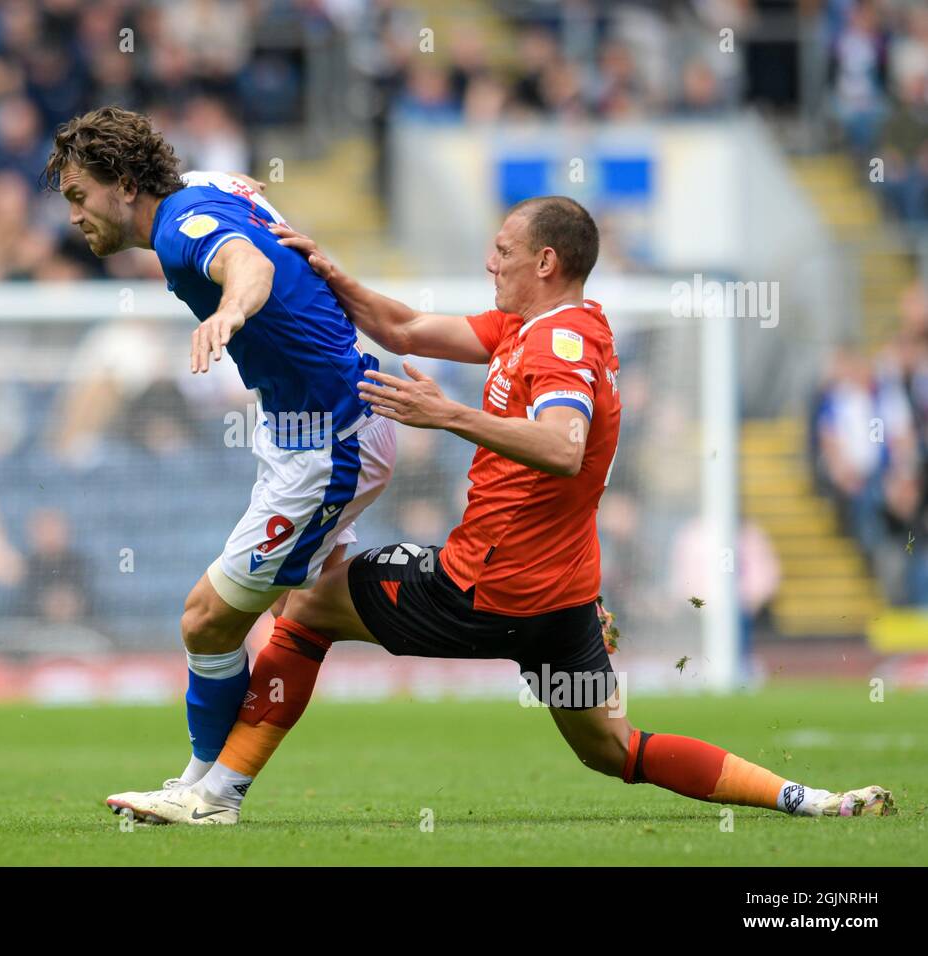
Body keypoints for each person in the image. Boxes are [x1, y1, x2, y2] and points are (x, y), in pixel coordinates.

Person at [107, 196, 895, 824]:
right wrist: (338, 278)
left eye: (503, 253)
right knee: (611, 748)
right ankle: (807, 800)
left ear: (545, 262)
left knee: (310, 603)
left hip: (482, 590)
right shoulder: (540, 327)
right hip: (561, 604)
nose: (490, 263)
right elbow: (406, 327)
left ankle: (215, 795)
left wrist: (443, 414)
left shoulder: (557, 349)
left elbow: (562, 446)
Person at [44, 106, 396, 795]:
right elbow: (248, 198)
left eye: (79, 197)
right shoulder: (203, 187)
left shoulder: (179, 234)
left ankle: (204, 788)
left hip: (332, 440)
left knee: (205, 620)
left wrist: (232, 310)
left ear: (121, 183)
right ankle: (507, 615)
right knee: (307, 609)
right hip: (317, 424)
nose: (74, 216)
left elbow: (248, 262)